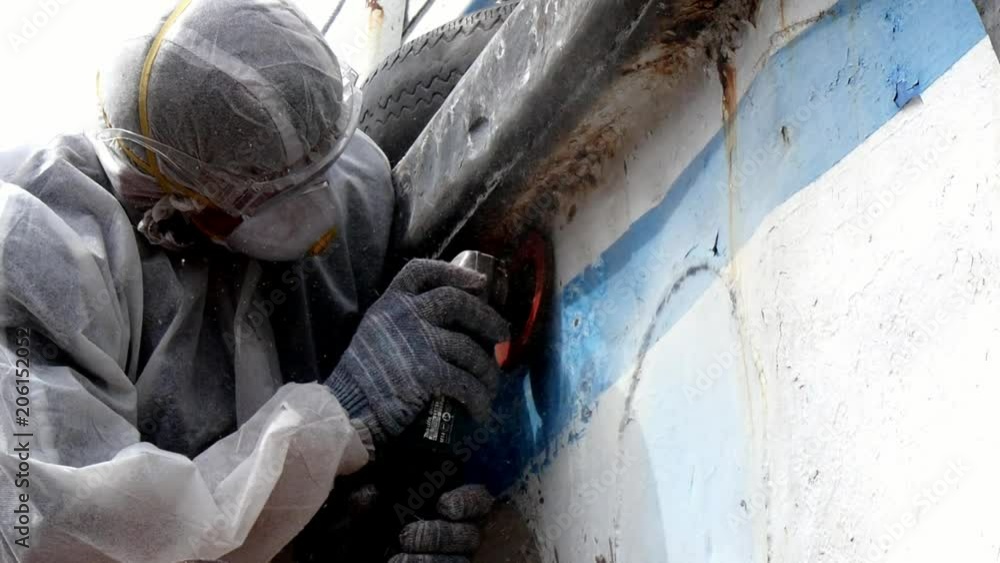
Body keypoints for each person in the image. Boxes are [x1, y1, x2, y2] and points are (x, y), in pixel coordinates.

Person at [0, 1, 508, 561]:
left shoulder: (355, 182)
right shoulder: (40, 251)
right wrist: (338, 415)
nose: (318, 208)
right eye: (267, 192)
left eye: (319, 167)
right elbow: (70, 531)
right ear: (175, 202)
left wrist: (360, 520)